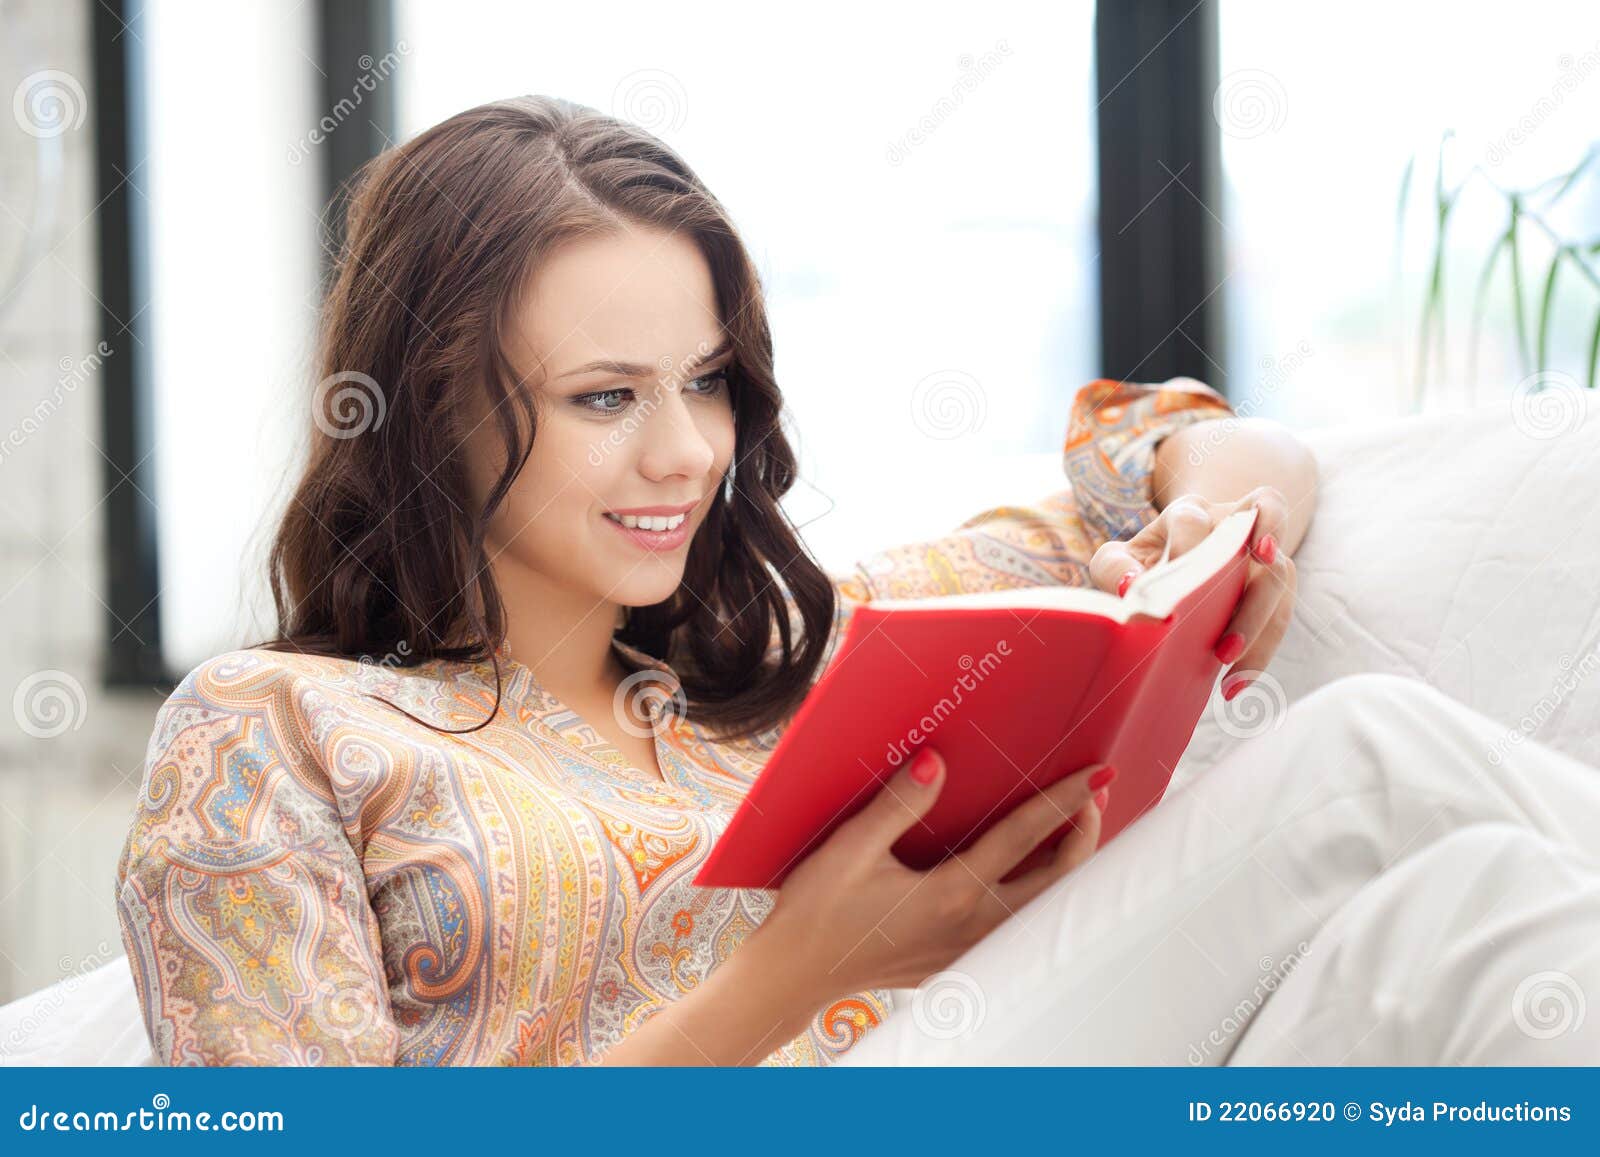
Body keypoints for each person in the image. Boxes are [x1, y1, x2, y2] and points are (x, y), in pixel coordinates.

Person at [120, 94, 1587, 1070]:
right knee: (1363, 756)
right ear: (429, 404)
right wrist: (795, 974)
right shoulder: (270, 731)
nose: (687, 452)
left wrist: (1215, 523)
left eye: (705, 382)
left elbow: (1165, 441)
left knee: (1474, 911)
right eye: (605, 398)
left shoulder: (788, 642)